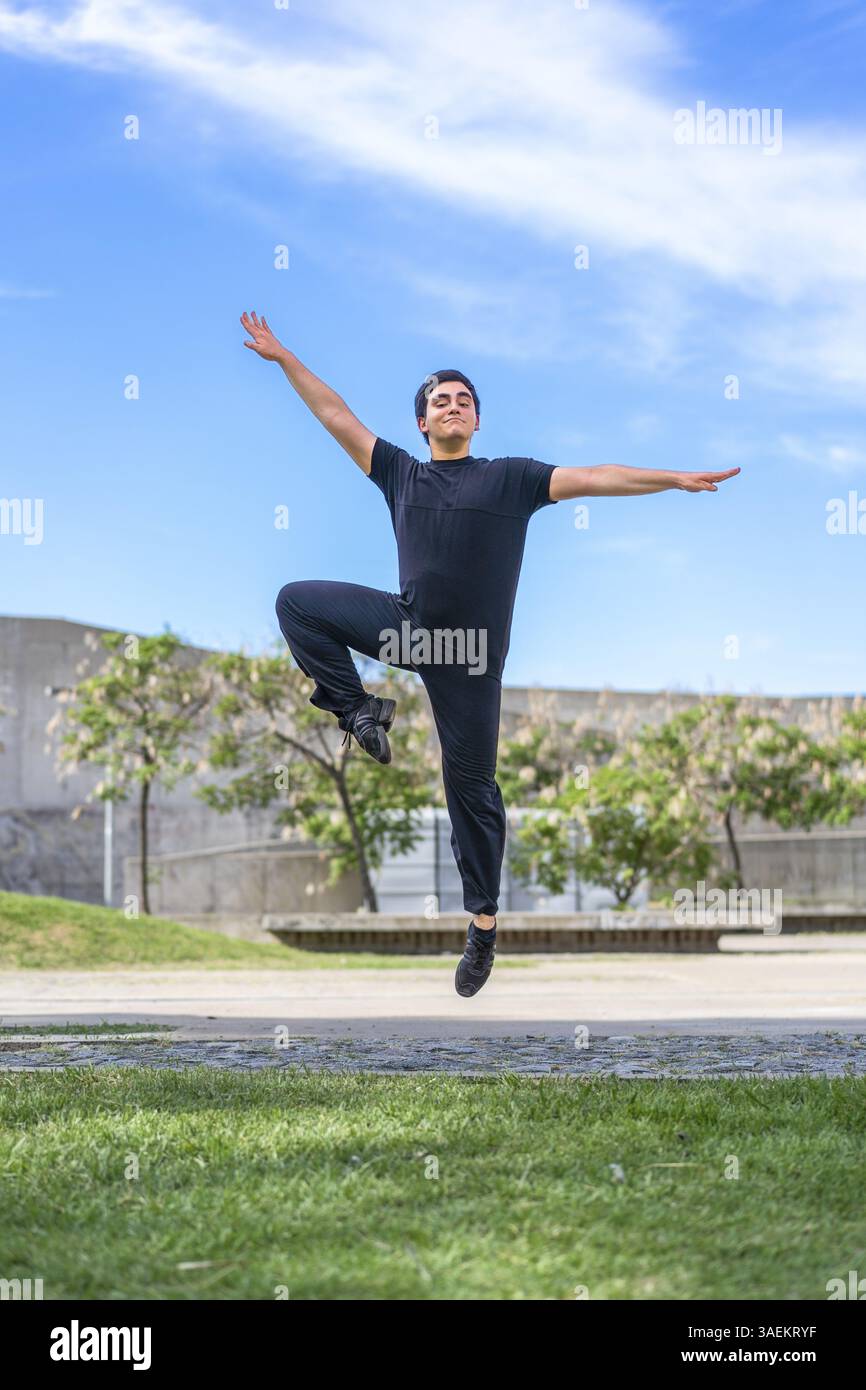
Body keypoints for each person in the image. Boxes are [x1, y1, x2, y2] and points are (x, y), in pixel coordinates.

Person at [240, 310, 740, 997]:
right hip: (412, 631)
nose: (452, 406)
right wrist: (285, 357)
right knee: (296, 601)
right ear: (422, 422)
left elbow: (596, 475)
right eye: (439, 400)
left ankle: (481, 927)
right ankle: (360, 710)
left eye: (463, 399)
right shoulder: (400, 474)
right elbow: (336, 415)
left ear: (476, 419)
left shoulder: (512, 478)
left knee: (470, 789)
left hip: (471, 656)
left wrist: (673, 478)